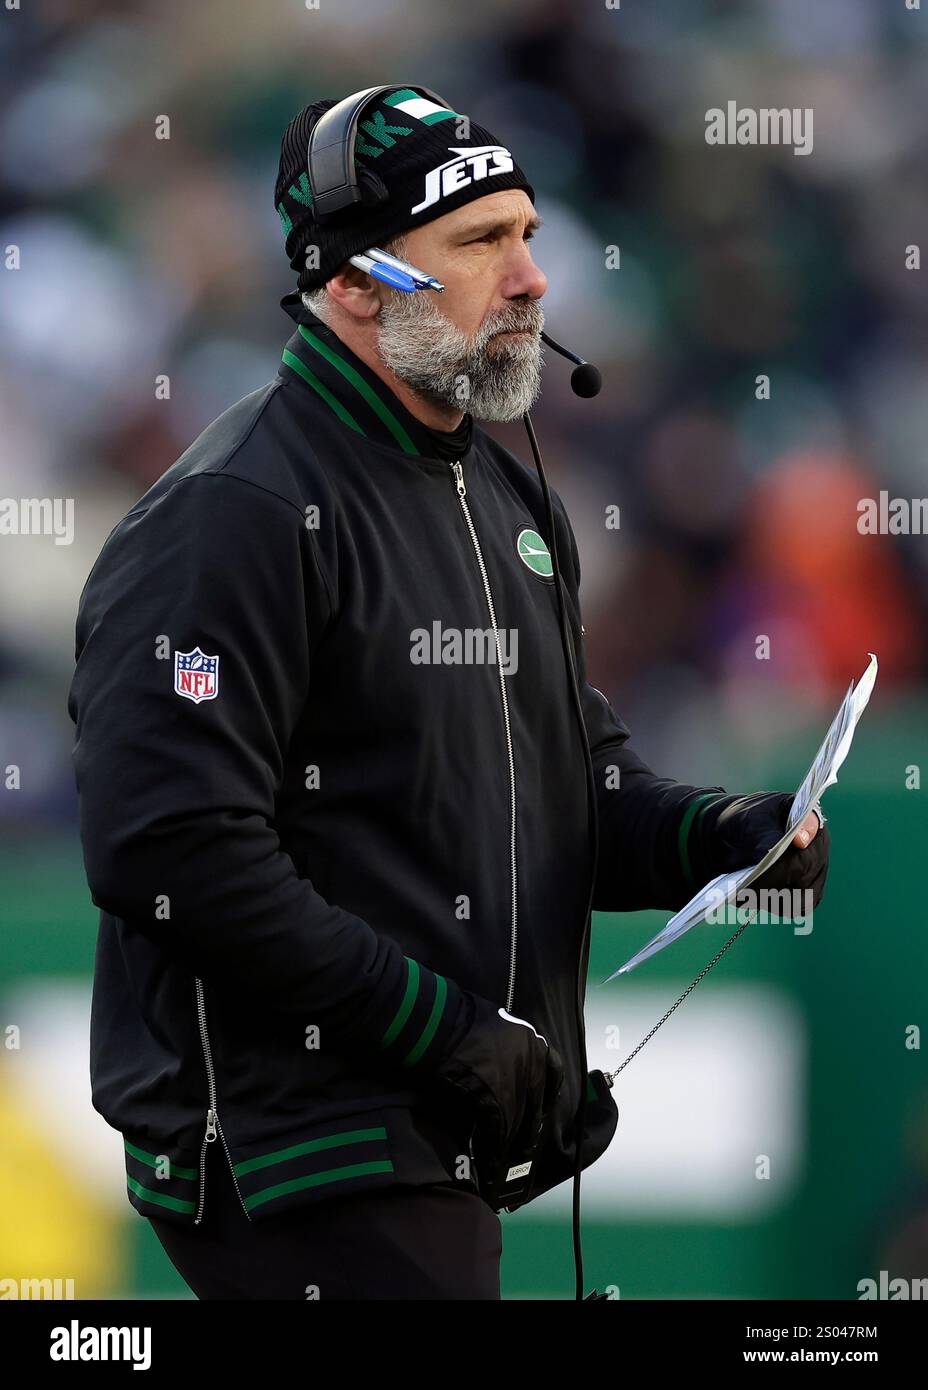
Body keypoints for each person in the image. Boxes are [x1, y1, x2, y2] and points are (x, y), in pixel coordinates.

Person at [67, 86, 830, 1301]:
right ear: (355, 284)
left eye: (527, 234)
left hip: (426, 1137)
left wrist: (720, 835)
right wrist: (447, 1031)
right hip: (294, 1148)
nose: (530, 278)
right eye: (479, 242)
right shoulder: (237, 513)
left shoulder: (501, 496)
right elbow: (171, 850)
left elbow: (564, 778)